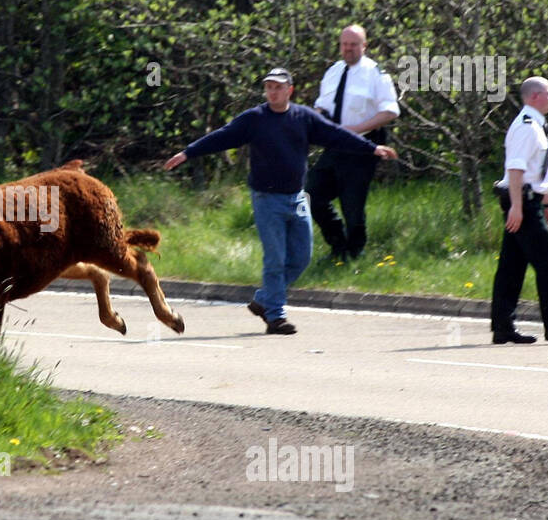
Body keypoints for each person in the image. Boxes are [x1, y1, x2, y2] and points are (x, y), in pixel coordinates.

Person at [164, 67, 397, 334]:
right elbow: (223, 136)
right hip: (267, 199)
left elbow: (336, 135)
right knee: (275, 259)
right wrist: (188, 152)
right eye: (269, 87)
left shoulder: (303, 117)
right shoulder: (255, 119)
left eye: (278, 87)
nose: (273, 92)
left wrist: (372, 148)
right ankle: (276, 316)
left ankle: (264, 300)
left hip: (297, 198)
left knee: (301, 258)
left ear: (290, 90)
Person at [489, 77, 548, 344]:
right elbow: (516, 169)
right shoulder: (526, 127)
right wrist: (517, 208)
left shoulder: (539, 126)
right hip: (522, 203)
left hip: (530, 200)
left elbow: (539, 170)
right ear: (534, 97)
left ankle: (503, 327)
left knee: (512, 266)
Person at [306, 25, 400, 260]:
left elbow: (390, 112)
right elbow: (322, 106)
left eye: (353, 44)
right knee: (311, 195)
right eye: (344, 44)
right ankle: (337, 244)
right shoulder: (333, 71)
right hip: (334, 144)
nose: (348, 49)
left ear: (364, 46)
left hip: (362, 147)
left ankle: (353, 253)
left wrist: (355, 130)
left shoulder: (376, 74)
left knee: (353, 206)